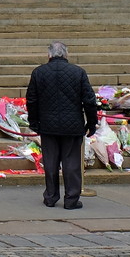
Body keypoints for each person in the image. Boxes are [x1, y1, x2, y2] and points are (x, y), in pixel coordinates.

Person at [26, 41, 97, 210]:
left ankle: (50, 197)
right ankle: (71, 199)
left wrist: (33, 121)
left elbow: (32, 99)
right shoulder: (78, 72)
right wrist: (91, 123)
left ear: (49, 55)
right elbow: (89, 100)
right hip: (72, 125)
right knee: (71, 163)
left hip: (48, 124)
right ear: (66, 54)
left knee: (50, 162)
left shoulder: (39, 72)